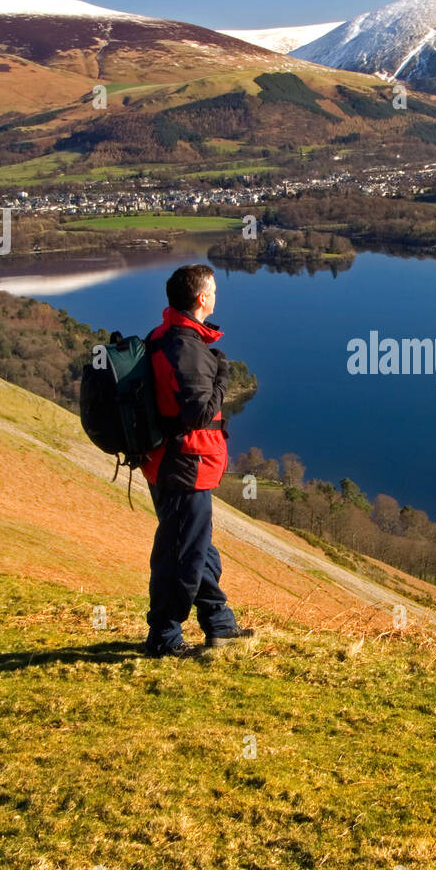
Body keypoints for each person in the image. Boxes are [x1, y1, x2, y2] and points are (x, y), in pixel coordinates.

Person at [141, 264, 253, 657]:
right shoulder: (186, 348)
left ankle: (219, 623)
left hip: (168, 462)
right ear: (202, 298)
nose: (217, 297)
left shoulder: (163, 336)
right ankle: (164, 637)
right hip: (185, 465)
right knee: (181, 554)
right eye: (215, 291)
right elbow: (198, 414)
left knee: (196, 546)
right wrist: (223, 375)